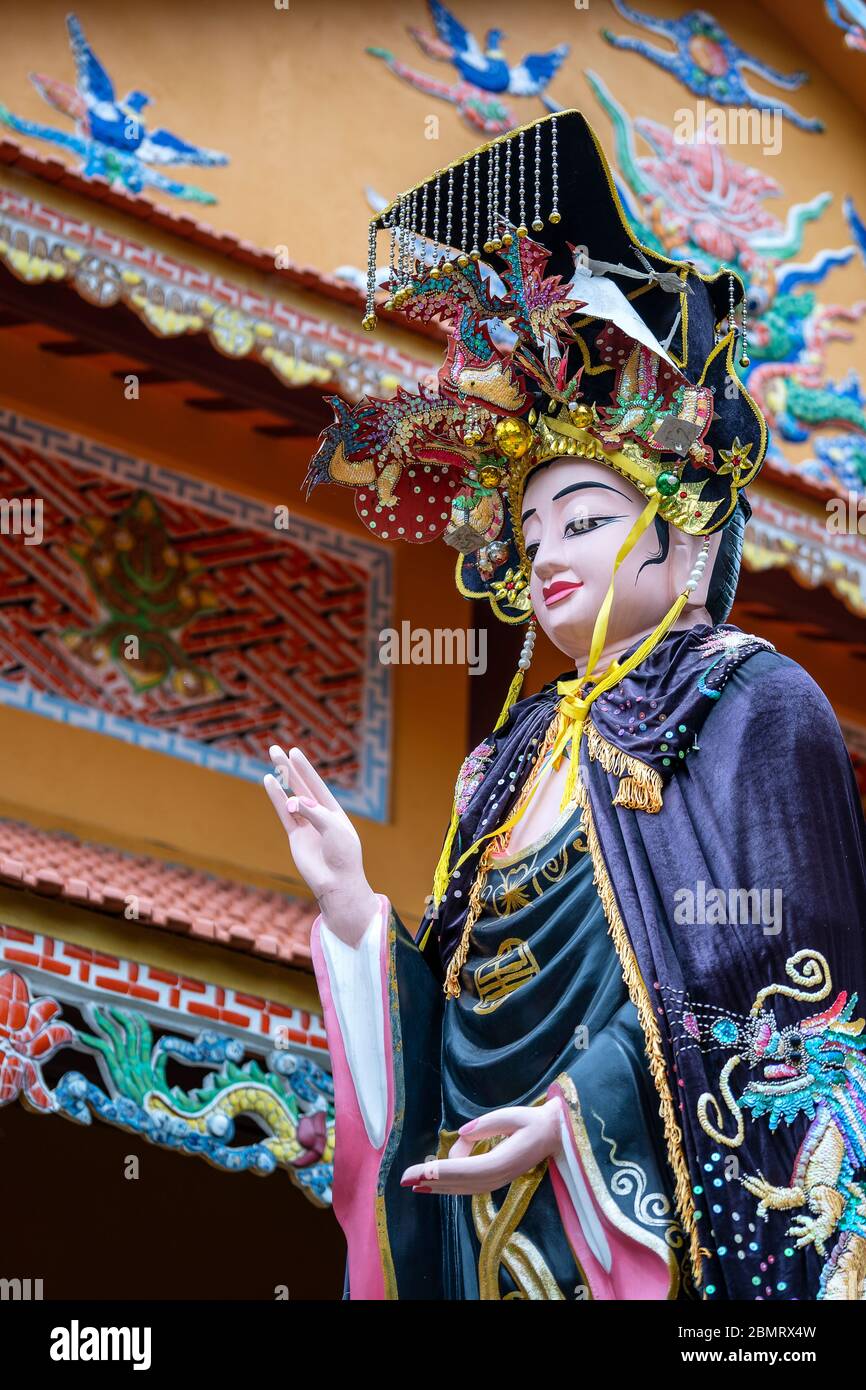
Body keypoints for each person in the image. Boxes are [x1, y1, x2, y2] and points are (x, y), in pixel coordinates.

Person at [265, 111, 866, 1301]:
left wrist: (588, 1114)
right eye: (532, 530)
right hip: (485, 1209)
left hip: (634, 1213)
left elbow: (792, 981)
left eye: (585, 520)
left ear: (686, 528)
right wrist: (351, 917)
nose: (547, 556)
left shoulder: (756, 702)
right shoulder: (513, 757)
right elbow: (457, 1005)